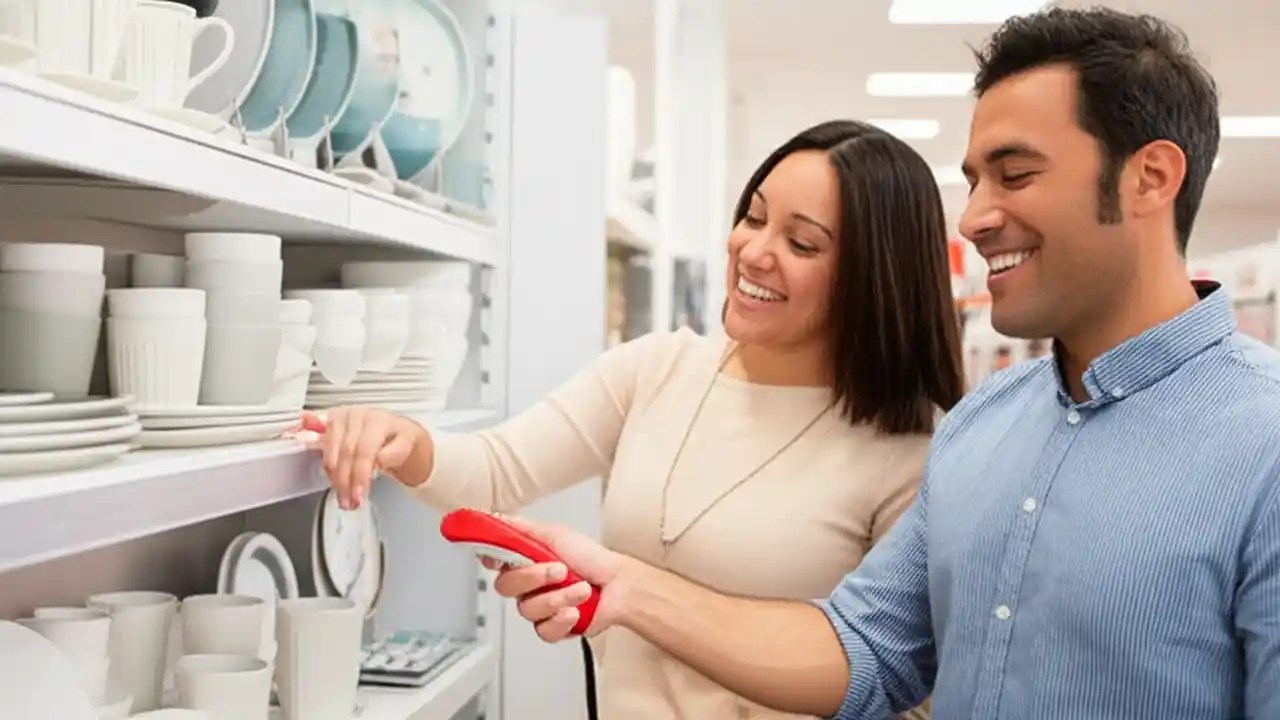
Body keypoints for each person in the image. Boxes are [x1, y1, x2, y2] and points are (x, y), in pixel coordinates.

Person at [486, 7, 1280, 720]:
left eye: (1017, 174)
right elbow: (863, 649)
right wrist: (628, 590)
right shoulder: (984, 425)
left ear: (1151, 178)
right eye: (973, 182)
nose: (972, 218)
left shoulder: (1263, 447)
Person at [310, 120, 964, 718]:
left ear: (873, 276)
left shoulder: (909, 451)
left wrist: (631, 592)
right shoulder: (660, 369)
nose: (754, 251)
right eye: (754, 217)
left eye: (801, 242)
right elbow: (493, 471)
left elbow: (902, 687)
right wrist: (402, 440)